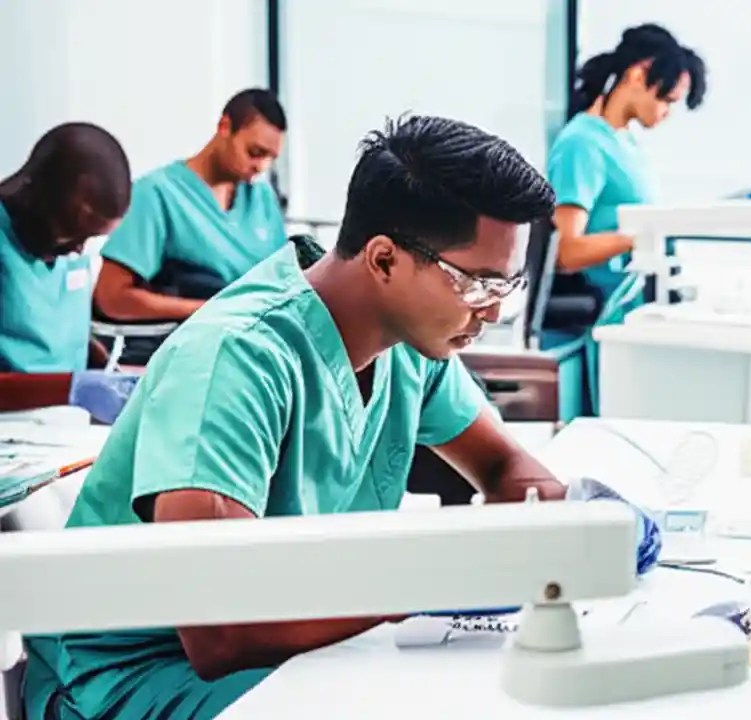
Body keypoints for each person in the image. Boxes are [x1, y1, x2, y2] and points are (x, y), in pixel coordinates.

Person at [24, 115, 660, 720]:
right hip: (136, 680)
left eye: (505, 287)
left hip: (287, 636)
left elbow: (499, 464)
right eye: (476, 286)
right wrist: (432, 584)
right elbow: (219, 630)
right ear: (383, 259)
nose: (490, 314)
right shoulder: (235, 359)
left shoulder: (413, 346)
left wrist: (578, 516)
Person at [544, 23, 707, 415]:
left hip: (634, 314)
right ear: (638, 73)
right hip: (602, 318)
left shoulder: (626, 144)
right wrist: (637, 237)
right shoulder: (583, 143)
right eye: (665, 99)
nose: (666, 113)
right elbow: (565, 250)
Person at [92, 88, 288, 326]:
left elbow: (282, 281)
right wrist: (210, 310)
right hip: (190, 341)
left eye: (270, 158)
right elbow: (111, 297)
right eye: (255, 152)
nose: (261, 167)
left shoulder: (262, 198)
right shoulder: (156, 194)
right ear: (225, 126)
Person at [0, 123, 131, 372]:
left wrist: (100, 363)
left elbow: (54, 331)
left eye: (89, 238)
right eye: (69, 235)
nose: (78, 250)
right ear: (34, 193)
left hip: (69, 406)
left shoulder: (71, 252)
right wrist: (66, 388)